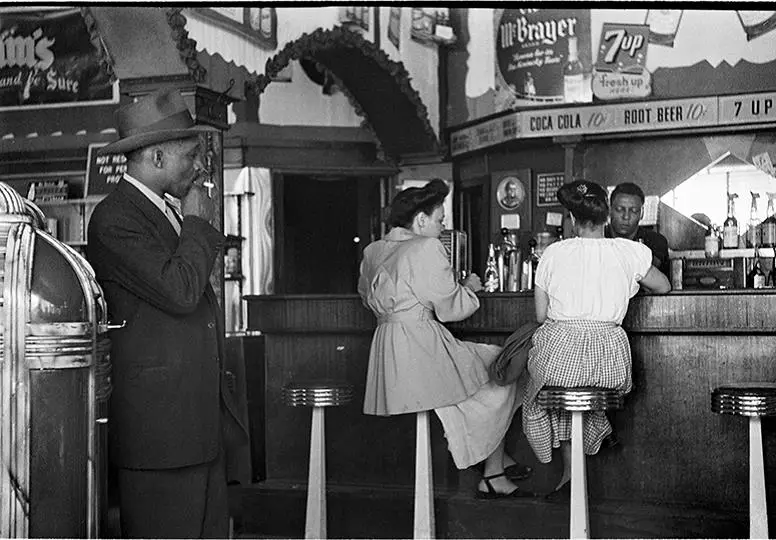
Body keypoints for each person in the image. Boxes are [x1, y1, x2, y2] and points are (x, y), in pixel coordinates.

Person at [86, 88, 249, 538]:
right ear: (157, 158)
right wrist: (197, 222)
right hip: (159, 434)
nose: (199, 167)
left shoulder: (163, 212)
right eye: (191, 156)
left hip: (197, 428)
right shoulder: (114, 218)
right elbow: (179, 292)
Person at [358, 179, 533, 498]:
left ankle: (493, 461)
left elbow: (369, 295)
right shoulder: (425, 246)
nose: (441, 228)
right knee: (502, 369)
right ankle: (492, 468)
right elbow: (450, 309)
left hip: (388, 349)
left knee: (469, 391)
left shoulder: (373, 251)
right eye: (439, 220)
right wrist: (470, 288)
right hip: (421, 346)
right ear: (421, 220)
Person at [521, 180, 670, 502]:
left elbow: (541, 314)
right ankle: (596, 431)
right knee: (579, 393)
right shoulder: (631, 251)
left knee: (539, 386)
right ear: (607, 218)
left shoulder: (553, 253)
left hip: (559, 358)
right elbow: (664, 287)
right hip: (610, 364)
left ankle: (579, 455)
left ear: (573, 220)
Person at [606, 182, 670, 276]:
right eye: (619, 209)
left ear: (642, 213)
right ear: (609, 210)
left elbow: (648, 273)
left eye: (634, 211)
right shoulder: (598, 237)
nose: (626, 216)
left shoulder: (656, 241)